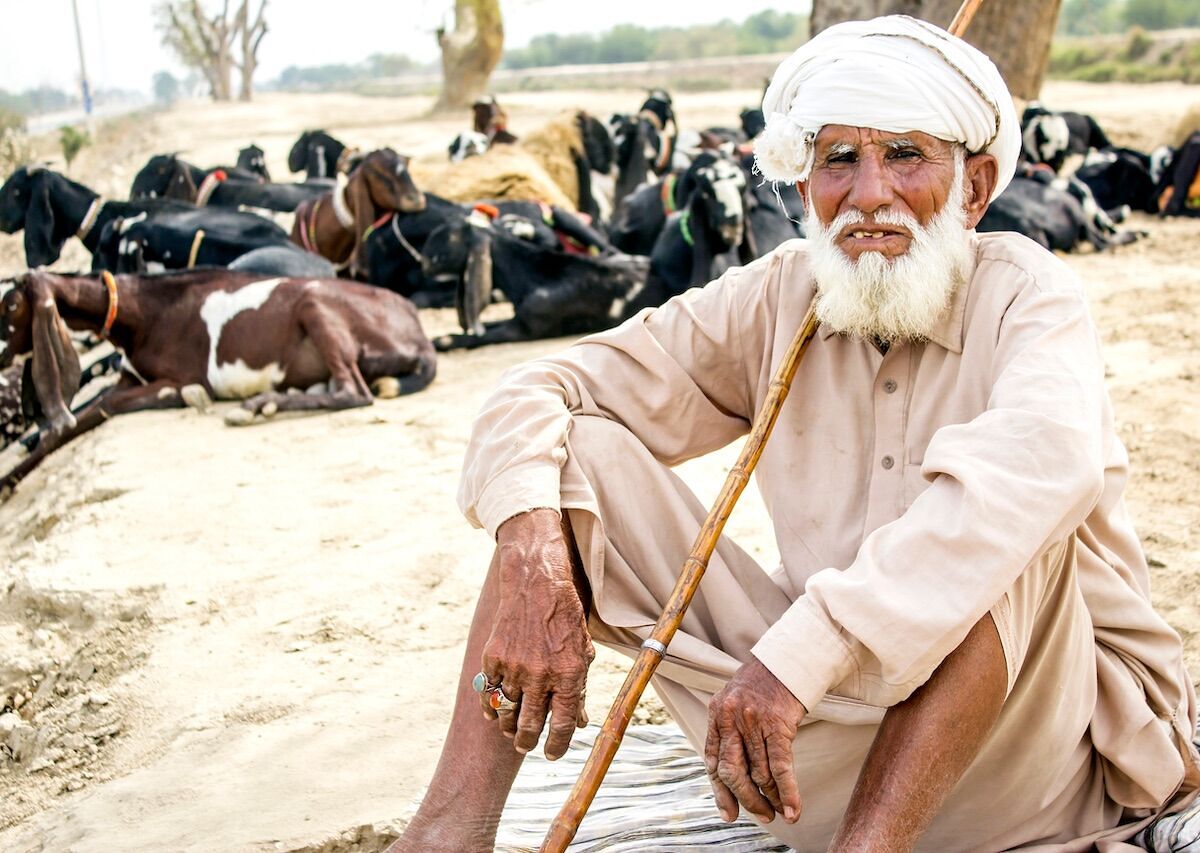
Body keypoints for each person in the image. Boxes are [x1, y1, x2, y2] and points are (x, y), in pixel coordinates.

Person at [390, 15, 1199, 852]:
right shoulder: (785, 295)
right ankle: (447, 834)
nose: (869, 194)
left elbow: (1041, 469)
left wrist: (795, 658)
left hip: (1033, 761)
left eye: (907, 155)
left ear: (976, 185)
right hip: (801, 760)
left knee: (1012, 531)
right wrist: (532, 552)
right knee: (571, 455)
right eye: (839, 159)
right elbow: (539, 386)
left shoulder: (1029, 295)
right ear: (807, 183)